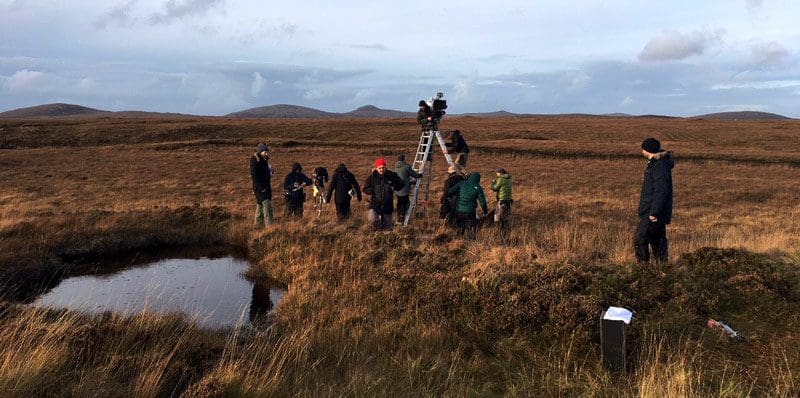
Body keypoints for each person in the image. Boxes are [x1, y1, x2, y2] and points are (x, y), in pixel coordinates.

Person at [635, 137, 675, 264]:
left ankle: (643, 268)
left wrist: (654, 212)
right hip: (652, 210)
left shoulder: (659, 166)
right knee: (657, 240)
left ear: (648, 150)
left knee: (641, 238)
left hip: (652, 211)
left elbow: (661, 191)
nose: (642, 151)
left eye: (643, 149)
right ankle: (662, 268)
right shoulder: (656, 163)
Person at [362, 158, 405, 230]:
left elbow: (402, 183)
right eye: (380, 168)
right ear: (376, 168)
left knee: (387, 228)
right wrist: (372, 190)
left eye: (383, 168)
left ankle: (384, 234)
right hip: (375, 205)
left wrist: (394, 187)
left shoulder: (391, 175)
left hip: (387, 206)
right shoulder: (372, 177)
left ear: (385, 167)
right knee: (373, 220)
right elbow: (364, 188)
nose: (382, 170)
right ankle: (377, 232)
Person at [447, 172, 488, 238]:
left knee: (460, 227)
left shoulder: (461, 183)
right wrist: (485, 211)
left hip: (459, 210)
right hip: (470, 211)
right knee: (471, 228)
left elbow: (450, 192)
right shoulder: (478, 188)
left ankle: (459, 239)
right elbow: (483, 202)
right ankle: (471, 240)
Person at [250, 143, 274, 228]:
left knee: (260, 205)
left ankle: (257, 226)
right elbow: (254, 176)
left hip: (266, 186)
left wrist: (271, 171)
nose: (267, 153)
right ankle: (270, 226)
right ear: (260, 152)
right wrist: (260, 188)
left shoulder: (265, 160)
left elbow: (265, 174)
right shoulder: (255, 161)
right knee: (267, 205)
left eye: (267, 152)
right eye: (265, 152)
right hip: (260, 188)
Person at [394, 154, 422, 224]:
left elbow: (402, 177)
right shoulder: (406, 167)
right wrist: (420, 175)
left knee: (399, 203)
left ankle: (399, 217)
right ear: (404, 159)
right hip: (404, 189)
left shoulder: (396, 167)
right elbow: (414, 175)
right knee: (405, 203)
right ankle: (402, 218)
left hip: (398, 189)